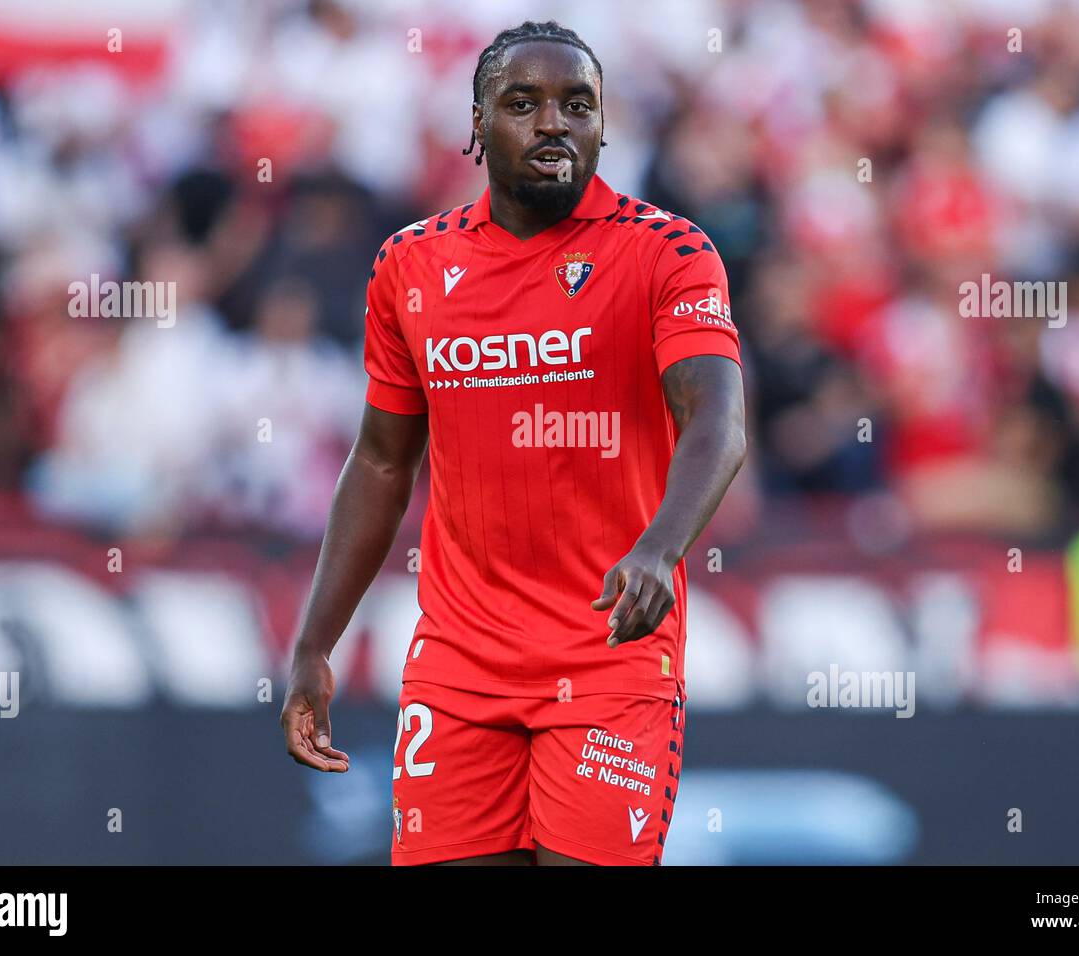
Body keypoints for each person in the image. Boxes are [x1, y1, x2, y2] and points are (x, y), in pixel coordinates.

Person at [280, 20, 746, 866]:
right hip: (459, 667)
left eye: (578, 105)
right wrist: (316, 642)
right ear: (475, 125)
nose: (552, 124)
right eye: (522, 103)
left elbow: (717, 419)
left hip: (608, 660)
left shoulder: (669, 253)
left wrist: (658, 549)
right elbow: (382, 460)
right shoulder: (411, 267)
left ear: (605, 126)